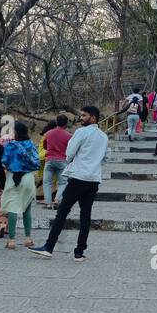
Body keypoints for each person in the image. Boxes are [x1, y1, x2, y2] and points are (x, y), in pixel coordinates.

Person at [28, 106, 107, 261]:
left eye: (84, 115)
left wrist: (73, 161)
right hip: (93, 179)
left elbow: (69, 153)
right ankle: (79, 252)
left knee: (62, 212)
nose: (81, 118)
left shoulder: (80, 132)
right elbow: (105, 157)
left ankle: (49, 246)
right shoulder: (104, 137)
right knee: (85, 216)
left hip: (78, 177)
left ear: (93, 117)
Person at [1, 121, 40, 248]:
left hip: (13, 178)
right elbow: (36, 162)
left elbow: (4, 161)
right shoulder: (30, 144)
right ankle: (28, 238)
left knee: (12, 208)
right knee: (26, 209)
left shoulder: (10, 145)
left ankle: (12, 240)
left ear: (16, 132)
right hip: (28, 178)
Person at [41, 114, 72, 209]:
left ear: (57, 122)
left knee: (47, 182)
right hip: (62, 160)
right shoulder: (69, 136)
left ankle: (48, 202)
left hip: (49, 160)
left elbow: (45, 146)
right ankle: (57, 200)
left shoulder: (48, 133)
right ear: (66, 124)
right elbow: (71, 149)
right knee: (63, 182)